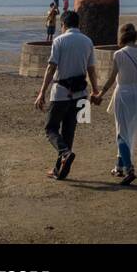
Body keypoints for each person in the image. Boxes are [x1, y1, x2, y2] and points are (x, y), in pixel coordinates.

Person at [35, 10, 98, 180]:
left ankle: (64, 154)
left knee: (50, 128)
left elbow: (51, 67)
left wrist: (42, 92)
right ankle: (60, 169)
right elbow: (91, 69)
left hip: (61, 92)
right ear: (79, 24)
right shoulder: (88, 41)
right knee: (69, 131)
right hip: (81, 93)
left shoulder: (59, 41)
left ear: (63, 25)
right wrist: (95, 90)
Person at [94, 23, 137, 186]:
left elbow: (112, 79)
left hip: (123, 93)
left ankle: (129, 168)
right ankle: (119, 166)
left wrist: (100, 94)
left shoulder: (119, 54)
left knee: (121, 132)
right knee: (129, 130)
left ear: (122, 36)